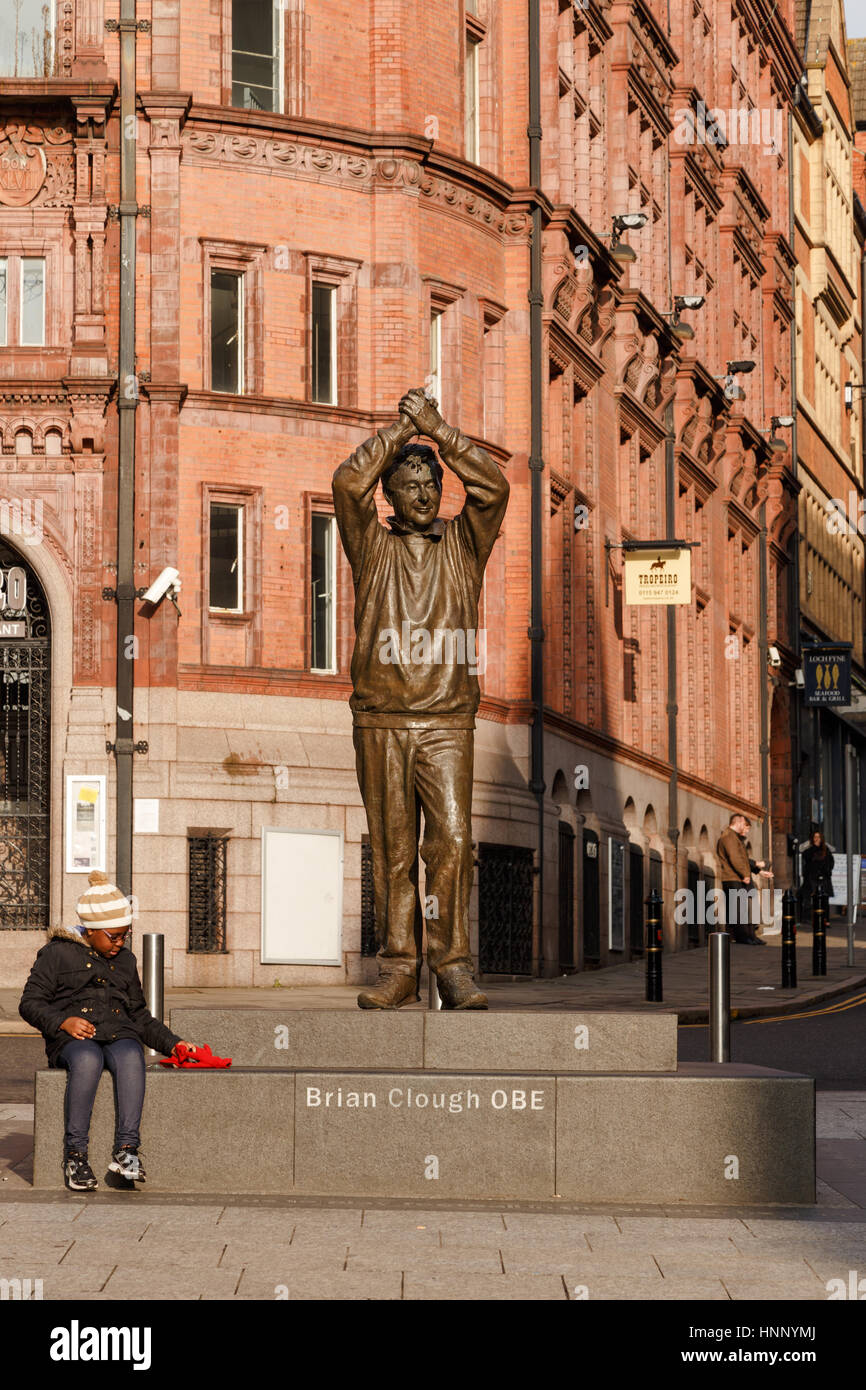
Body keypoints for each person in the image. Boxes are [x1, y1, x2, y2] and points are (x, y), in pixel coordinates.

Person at [332, 388, 509, 1010]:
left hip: (446, 722)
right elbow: (346, 482)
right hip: (381, 719)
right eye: (408, 484)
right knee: (392, 848)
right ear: (390, 493)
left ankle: (453, 965)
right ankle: (399, 967)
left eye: (430, 481)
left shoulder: (464, 545)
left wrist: (440, 431)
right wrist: (398, 430)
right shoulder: (371, 546)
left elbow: (494, 488)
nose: (423, 493)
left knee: (453, 841)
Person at [19, 870, 197, 1192]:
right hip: (74, 1038)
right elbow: (30, 1003)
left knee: (132, 1056)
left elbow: (140, 1015)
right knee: (87, 1061)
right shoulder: (57, 953)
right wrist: (63, 1022)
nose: (119, 943)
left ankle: (127, 1151)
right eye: (112, 936)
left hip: (119, 1033)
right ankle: (76, 1156)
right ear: (89, 931)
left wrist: (175, 1045)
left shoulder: (125, 961)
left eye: (124, 936)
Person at [716, 812, 768, 944]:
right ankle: (742, 937)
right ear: (738, 822)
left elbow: (743, 859)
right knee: (737, 910)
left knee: (741, 908)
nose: (744, 827)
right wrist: (744, 874)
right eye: (743, 824)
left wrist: (757, 871)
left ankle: (748, 936)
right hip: (732, 877)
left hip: (737, 877)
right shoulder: (728, 837)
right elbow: (735, 858)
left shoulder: (735, 837)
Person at [800, 829, 834, 920]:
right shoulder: (810, 849)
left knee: (824, 899)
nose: (817, 839)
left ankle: (825, 919)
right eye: (815, 837)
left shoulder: (826, 850)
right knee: (811, 898)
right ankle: (811, 918)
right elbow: (806, 857)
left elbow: (831, 862)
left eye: (818, 837)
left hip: (824, 878)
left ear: (821, 838)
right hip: (812, 878)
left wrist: (828, 871)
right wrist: (814, 847)